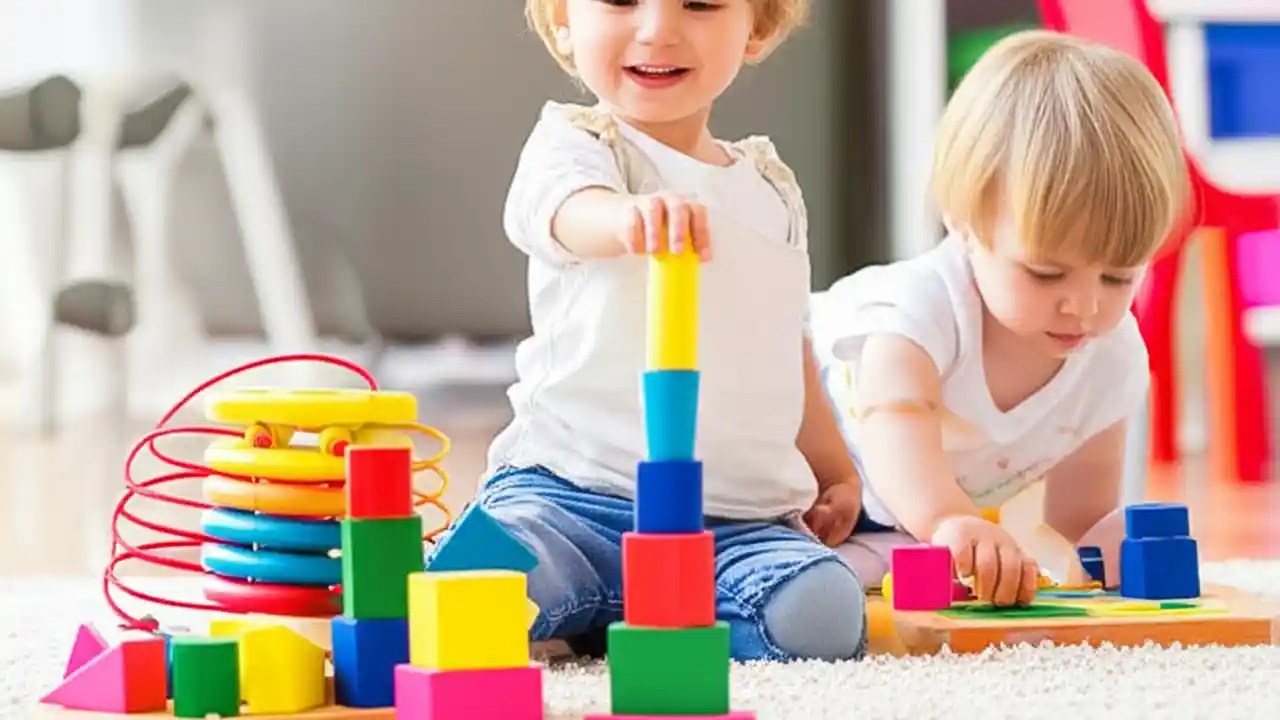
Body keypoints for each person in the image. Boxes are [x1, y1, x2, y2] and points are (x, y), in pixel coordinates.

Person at [427, 0, 867, 662]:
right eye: (622, 1)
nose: (659, 28)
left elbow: (786, 340)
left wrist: (833, 464)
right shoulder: (577, 146)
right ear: (564, 20)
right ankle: (592, 603)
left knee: (824, 616)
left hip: (736, 524)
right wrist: (626, 218)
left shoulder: (773, 191)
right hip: (570, 496)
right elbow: (565, 212)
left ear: (759, 26)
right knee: (466, 588)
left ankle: (640, 620)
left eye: (700, 4)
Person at [809, 30, 1190, 606]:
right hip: (790, 453)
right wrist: (948, 519)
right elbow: (893, 421)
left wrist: (1103, 546)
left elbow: (1077, 517)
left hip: (887, 524)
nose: (1084, 306)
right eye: (1045, 273)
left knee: (885, 577)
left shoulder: (1110, 358)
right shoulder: (919, 310)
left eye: (1118, 276)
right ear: (964, 224)